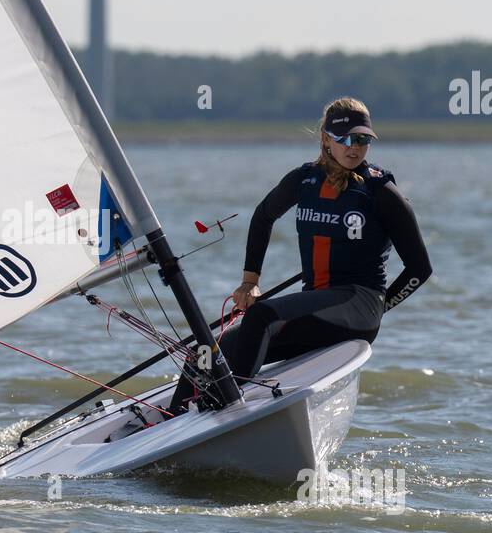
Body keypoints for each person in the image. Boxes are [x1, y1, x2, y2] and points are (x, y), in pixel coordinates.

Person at [167, 97, 432, 414]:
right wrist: (250, 281)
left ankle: (231, 407)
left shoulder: (382, 193)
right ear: (326, 139)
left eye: (362, 139)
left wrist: (380, 307)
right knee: (207, 351)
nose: (354, 147)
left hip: (359, 304)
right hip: (317, 309)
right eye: (345, 139)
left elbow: (420, 268)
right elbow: (263, 216)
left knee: (262, 315)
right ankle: (167, 421)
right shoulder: (304, 181)